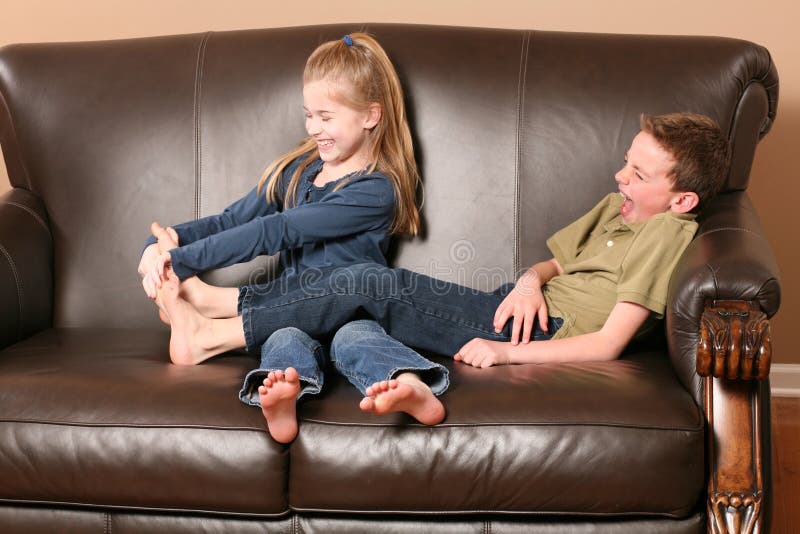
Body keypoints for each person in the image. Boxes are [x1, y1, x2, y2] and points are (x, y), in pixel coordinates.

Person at [155, 111, 730, 421]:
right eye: (625, 163)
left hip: (534, 335)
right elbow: (554, 264)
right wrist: (532, 280)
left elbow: (608, 344)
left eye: (638, 175)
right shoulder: (618, 209)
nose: (619, 178)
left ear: (682, 202)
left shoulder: (667, 233)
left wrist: (509, 351)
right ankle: (413, 385)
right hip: (516, 306)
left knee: (368, 282)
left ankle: (212, 329)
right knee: (355, 327)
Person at [138, 33, 447, 443]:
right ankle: (283, 398)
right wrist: (166, 242)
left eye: (326, 116)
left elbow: (281, 229)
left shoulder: (377, 189)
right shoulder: (298, 169)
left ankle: (411, 386)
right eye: (308, 115)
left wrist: (181, 263)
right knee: (284, 341)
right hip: (285, 313)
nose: (313, 128)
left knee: (360, 339)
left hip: (351, 312)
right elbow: (232, 219)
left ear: (370, 115)